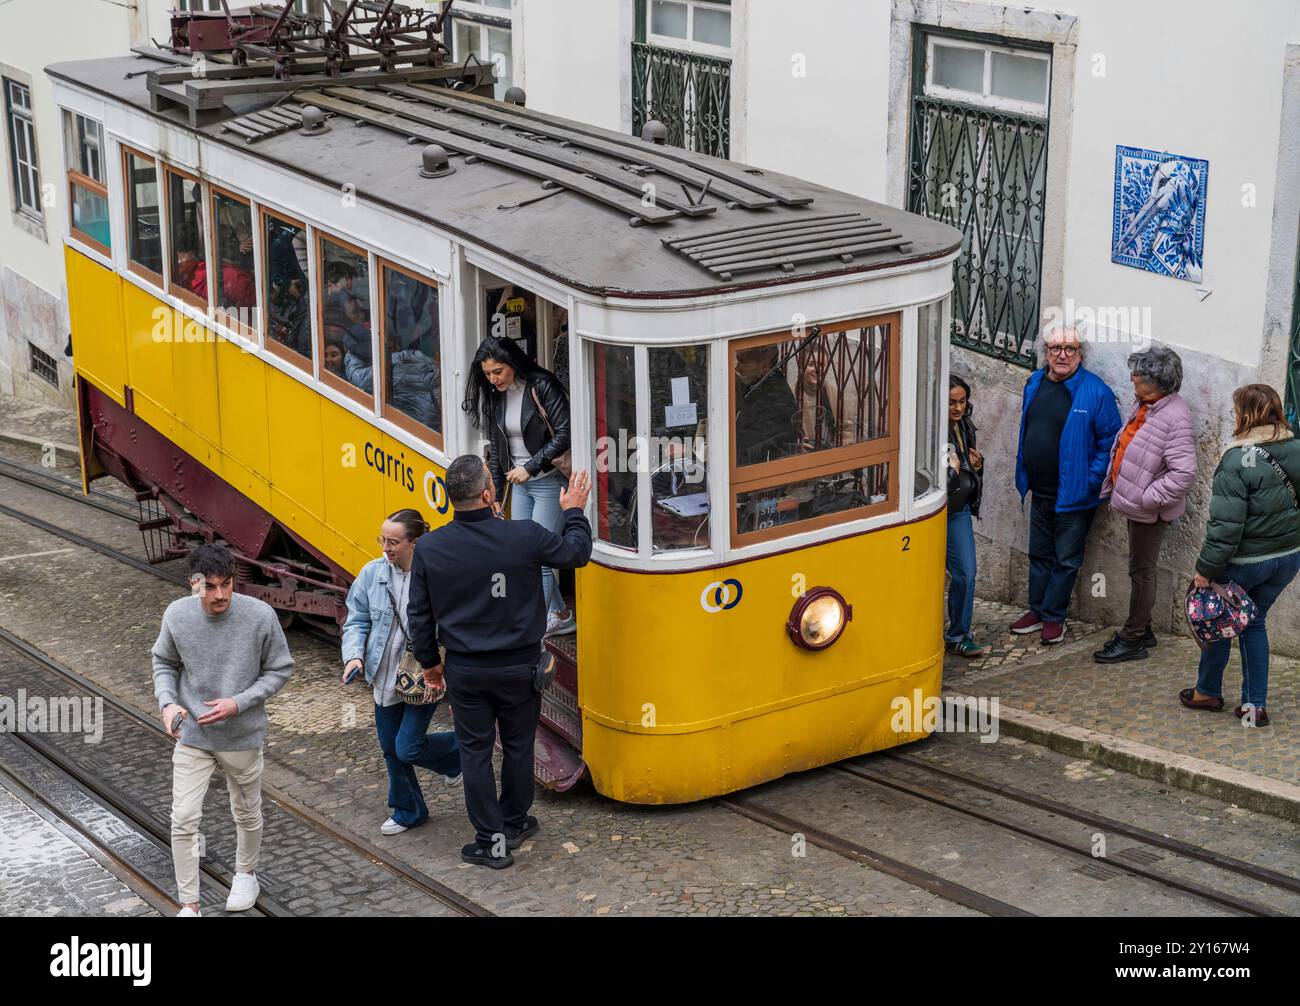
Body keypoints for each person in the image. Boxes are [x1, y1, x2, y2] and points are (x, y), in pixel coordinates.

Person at [408, 457, 593, 868]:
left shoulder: (430, 548)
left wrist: (429, 665)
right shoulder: (523, 536)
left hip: (466, 670)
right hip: (520, 668)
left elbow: (419, 614)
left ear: (452, 499)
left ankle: (491, 841)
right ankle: (514, 821)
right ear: (488, 494)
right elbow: (578, 554)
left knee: (474, 752)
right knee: (518, 745)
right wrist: (574, 510)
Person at [152, 543, 294, 917]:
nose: (220, 595)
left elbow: (280, 668)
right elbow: (163, 661)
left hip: (241, 734)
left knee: (246, 812)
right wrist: (168, 702)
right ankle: (189, 904)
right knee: (183, 817)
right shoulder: (177, 615)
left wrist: (239, 702)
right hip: (193, 734)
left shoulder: (259, 615)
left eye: (227, 584)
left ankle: (246, 873)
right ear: (193, 584)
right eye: (210, 587)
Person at [1180, 384, 1300, 728]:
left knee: (1215, 619)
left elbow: (1225, 527)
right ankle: (1254, 708)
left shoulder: (1237, 459)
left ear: (1245, 414)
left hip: (1248, 562)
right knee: (1253, 623)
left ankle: (1207, 692)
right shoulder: (1295, 447)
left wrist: (1206, 570)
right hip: (1288, 558)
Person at [342, 510, 461, 836]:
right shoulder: (372, 574)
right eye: (382, 540)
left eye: (393, 542)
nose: (385, 548)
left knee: (406, 747)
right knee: (390, 749)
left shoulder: (437, 576)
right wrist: (353, 656)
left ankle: (460, 751)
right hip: (384, 678)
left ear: (415, 542)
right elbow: (356, 620)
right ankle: (409, 810)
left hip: (424, 676)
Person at [1011, 322, 1122, 644]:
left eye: (1069, 348)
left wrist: (1089, 482)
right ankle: (1037, 609)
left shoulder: (1095, 391)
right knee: (1038, 555)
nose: (1062, 354)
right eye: (1056, 348)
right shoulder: (1034, 383)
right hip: (1040, 490)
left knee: (1066, 560)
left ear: (1080, 354)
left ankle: (1054, 617)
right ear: (1046, 353)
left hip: (1074, 497)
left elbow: (1109, 443)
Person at [462, 335, 575, 636]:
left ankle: (542, 618)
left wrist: (530, 466)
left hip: (550, 482)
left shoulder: (541, 385)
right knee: (523, 554)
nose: (492, 378)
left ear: (512, 363)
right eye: (487, 373)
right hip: (521, 484)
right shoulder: (496, 395)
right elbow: (499, 449)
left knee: (538, 555)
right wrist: (494, 494)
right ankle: (560, 613)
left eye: (497, 371)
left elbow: (565, 433)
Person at [1094, 347, 1197, 663]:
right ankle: (1145, 629)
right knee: (1138, 567)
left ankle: (1133, 637)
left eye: (1137, 375)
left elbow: (1185, 473)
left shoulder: (1174, 417)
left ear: (1156, 381)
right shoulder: (1148, 406)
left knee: (1141, 571)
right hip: (1137, 506)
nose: (1132, 378)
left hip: (1148, 512)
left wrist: (1146, 499)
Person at [945, 375, 989, 658]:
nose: (958, 408)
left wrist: (977, 466)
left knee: (966, 572)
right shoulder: (931, 431)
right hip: (937, 513)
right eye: (952, 402)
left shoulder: (965, 426)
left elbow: (968, 472)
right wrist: (953, 470)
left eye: (962, 401)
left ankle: (959, 634)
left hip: (959, 510)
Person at [734, 344, 799, 465]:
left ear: (764, 366)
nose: (737, 368)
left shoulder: (775, 399)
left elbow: (750, 446)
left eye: (742, 362)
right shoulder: (755, 383)